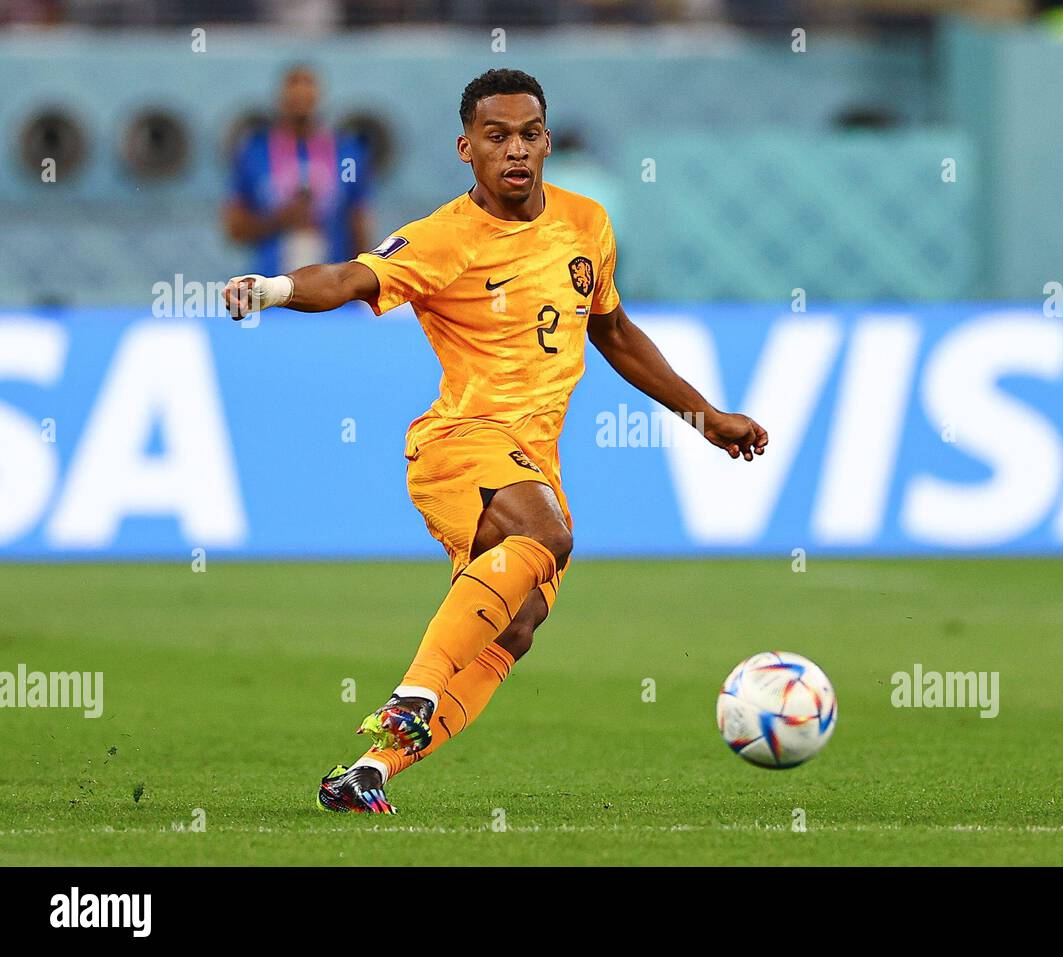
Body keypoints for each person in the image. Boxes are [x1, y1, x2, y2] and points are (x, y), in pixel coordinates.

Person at [223, 68, 767, 814]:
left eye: (529, 134)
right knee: (548, 531)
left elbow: (614, 332)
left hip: (532, 460)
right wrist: (275, 290)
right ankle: (412, 693)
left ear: (547, 141)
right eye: (496, 136)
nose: (516, 149)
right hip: (458, 445)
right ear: (466, 148)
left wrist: (706, 416)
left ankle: (369, 771)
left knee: (518, 626)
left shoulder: (587, 223)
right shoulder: (444, 238)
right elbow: (352, 278)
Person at [224, 64, 370, 277]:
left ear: (319, 96)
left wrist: (361, 286)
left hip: (334, 290)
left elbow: (358, 221)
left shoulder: (347, 152)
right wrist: (278, 220)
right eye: (293, 88)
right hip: (269, 289)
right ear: (280, 98)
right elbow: (234, 229)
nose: (300, 96)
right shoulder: (254, 152)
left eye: (307, 87)